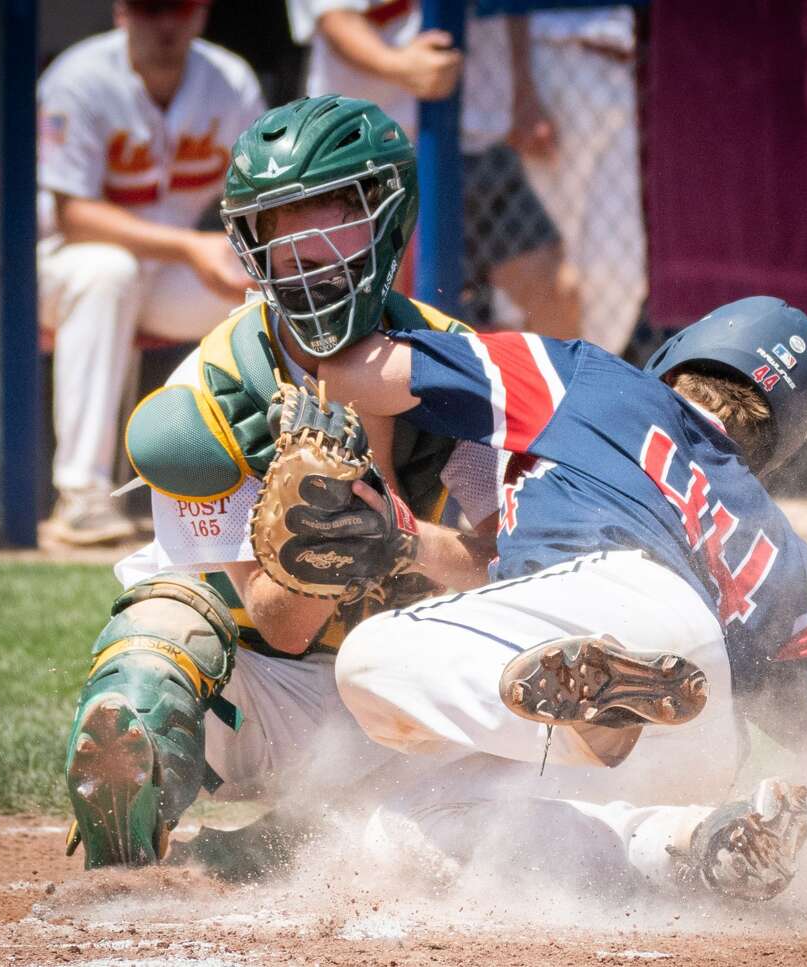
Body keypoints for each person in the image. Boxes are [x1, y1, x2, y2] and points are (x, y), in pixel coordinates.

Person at [315, 296, 807, 901]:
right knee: (400, 832)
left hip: (612, 608)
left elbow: (356, 374)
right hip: (702, 733)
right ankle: (693, 843)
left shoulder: (589, 376)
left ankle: (590, 717)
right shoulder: (785, 549)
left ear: (680, 354)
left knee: (369, 658)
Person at [62, 96, 500, 869]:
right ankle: (123, 855)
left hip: (396, 694)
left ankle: (284, 847)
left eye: (333, 218)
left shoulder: (459, 368)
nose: (305, 253)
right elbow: (283, 623)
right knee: (158, 636)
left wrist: (402, 539)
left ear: (387, 217)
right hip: (250, 690)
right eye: (279, 227)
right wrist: (325, 537)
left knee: (521, 683)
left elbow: (509, 565)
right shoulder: (210, 390)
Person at [37, 0, 265, 545]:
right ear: (122, 12)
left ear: (201, 13)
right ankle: (82, 499)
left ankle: (268, 484)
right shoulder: (79, 78)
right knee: (107, 272)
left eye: (178, 8)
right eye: (149, 8)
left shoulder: (230, 81)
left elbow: (259, 191)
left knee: (266, 291)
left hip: (168, 272)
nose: (165, 23)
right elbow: (73, 216)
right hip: (59, 264)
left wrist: (241, 258)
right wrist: (190, 247)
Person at [286, 0, 580, 338]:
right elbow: (335, 18)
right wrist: (400, 65)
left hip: (476, 137)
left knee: (556, 291)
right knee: (371, 306)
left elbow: (512, 10)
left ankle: (556, 375)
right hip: (365, 148)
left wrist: (524, 91)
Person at [512, 6, 646, 353]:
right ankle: (536, 371)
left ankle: (587, 374)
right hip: (554, 53)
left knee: (620, 273)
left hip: (620, 61)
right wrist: (523, 88)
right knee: (550, 267)